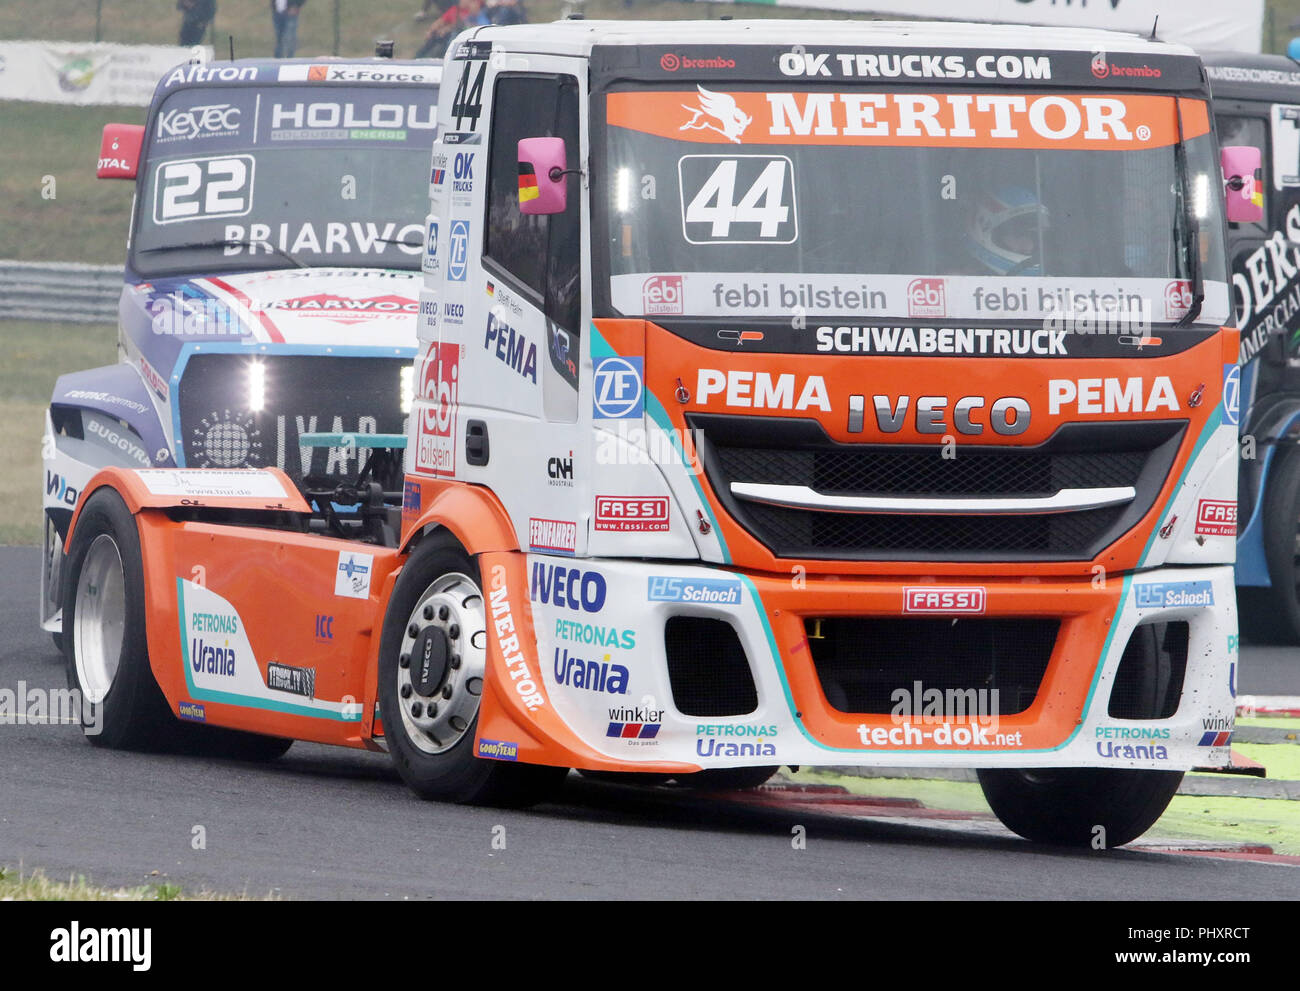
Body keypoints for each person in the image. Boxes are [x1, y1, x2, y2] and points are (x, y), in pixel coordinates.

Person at [964, 185, 1051, 276]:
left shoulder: (1049, 285)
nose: (1029, 246)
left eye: (1032, 236)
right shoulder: (957, 283)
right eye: (1019, 235)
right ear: (982, 230)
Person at [414, 0, 489, 59]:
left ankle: (444, 57)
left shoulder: (473, 13)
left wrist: (447, 29)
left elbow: (462, 25)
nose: (461, 2)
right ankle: (418, 57)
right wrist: (430, 31)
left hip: (460, 37)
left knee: (450, 37)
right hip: (448, 34)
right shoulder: (455, 10)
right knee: (434, 37)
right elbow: (440, 21)